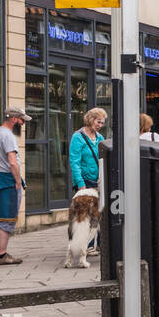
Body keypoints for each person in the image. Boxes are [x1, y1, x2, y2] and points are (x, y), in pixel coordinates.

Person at [0, 107, 31, 265]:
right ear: (13, 119)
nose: (23, 123)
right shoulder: (8, 136)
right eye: (21, 120)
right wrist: (18, 180)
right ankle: (2, 255)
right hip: (7, 180)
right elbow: (12, 161)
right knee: (7, 218)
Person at [69, 107, 107, 255]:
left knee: (99, 213)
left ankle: (98, 244)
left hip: (98, 181)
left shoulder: (100, 138)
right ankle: (88, 245)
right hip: (84, 181)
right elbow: (74, 162)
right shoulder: (78, 137)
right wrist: (80, 184)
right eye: (98, 122)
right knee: (85, 215)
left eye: (102, 123)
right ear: (91, 120)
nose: (100, 125)